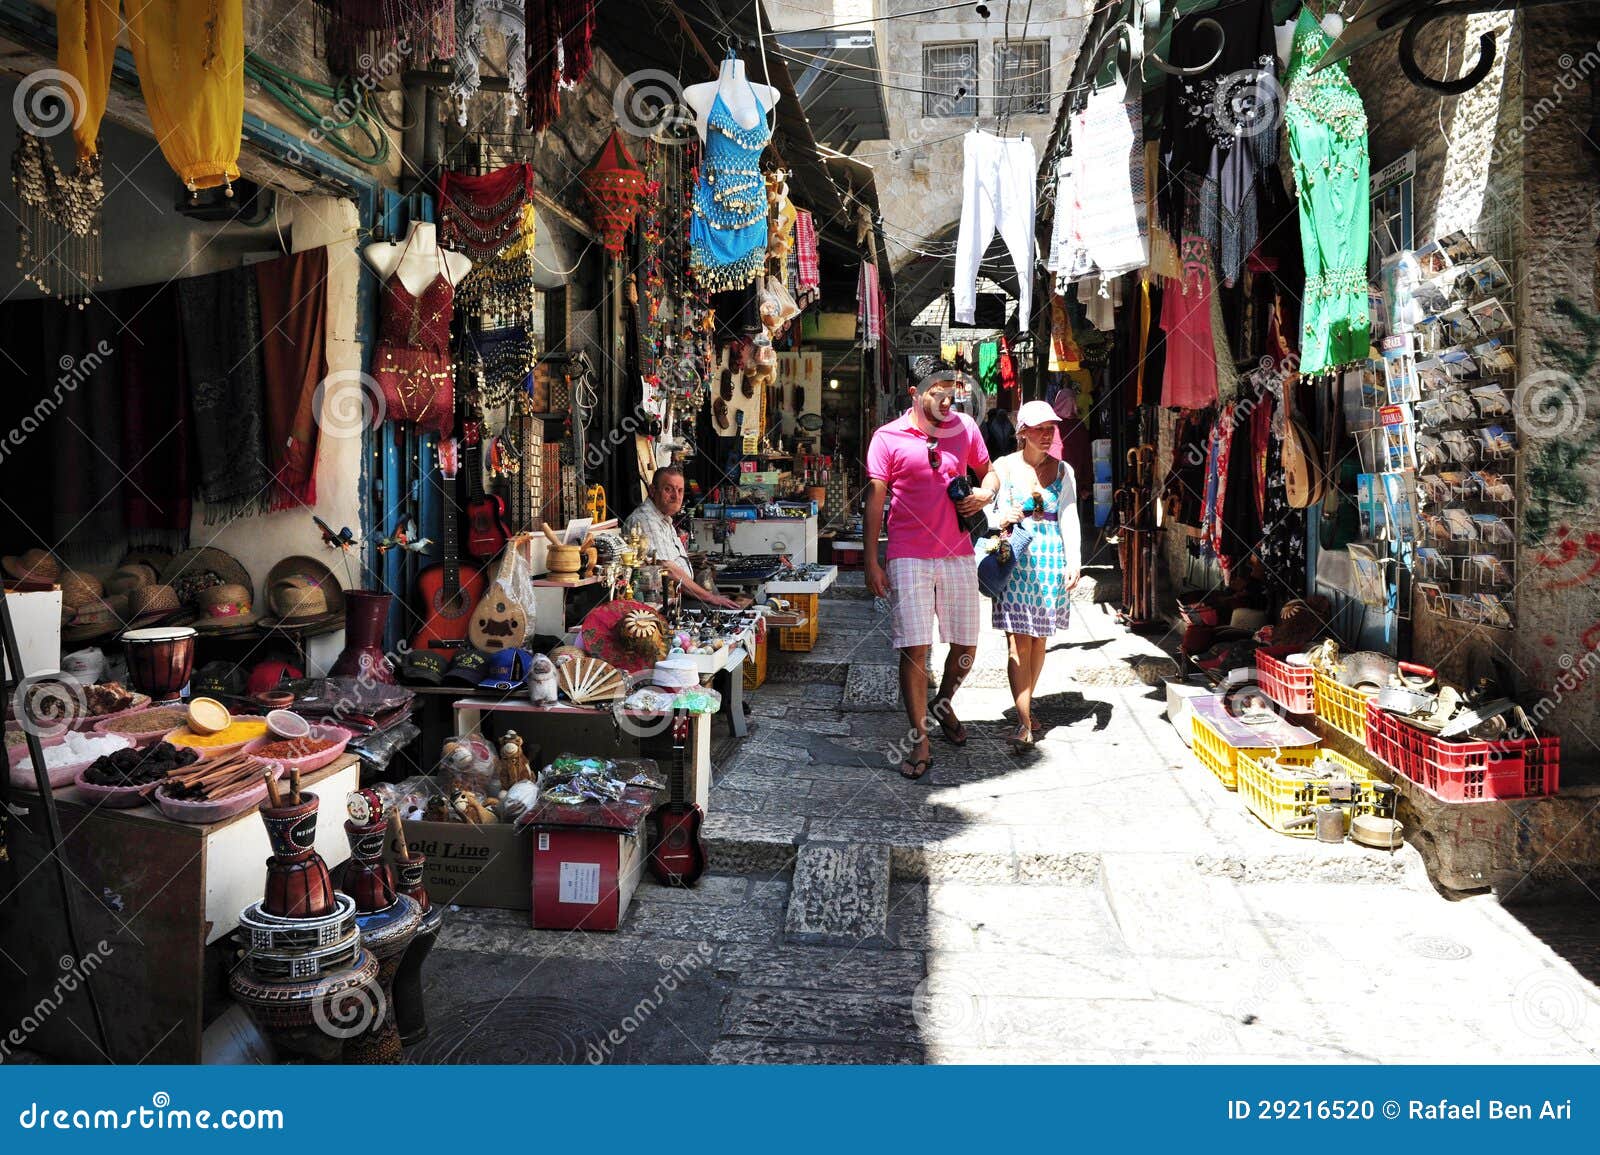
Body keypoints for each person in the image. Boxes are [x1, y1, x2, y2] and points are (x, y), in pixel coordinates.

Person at [865, 378, 1000, 780]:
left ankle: (943, 701)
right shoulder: (887, 437)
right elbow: (875, 497)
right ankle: (920, 738)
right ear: (914, 392)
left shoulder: (965, 429)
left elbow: (989, 472)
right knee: (914, 648)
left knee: (966, 647)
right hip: (908, 553)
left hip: (957, 550)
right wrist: (872, 559)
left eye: (950, 391)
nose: (946, 398)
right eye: (936, 390)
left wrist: (984, 495)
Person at [991, 400, 1082, 750]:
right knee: (1017, 641)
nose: (1047, 435)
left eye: (1051, 429)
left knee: (1040, 640)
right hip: (1015, 557)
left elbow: (1069, 516)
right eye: (1040, 429)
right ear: (1023, 432)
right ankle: (1025, 721)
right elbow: (987, 509)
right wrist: (1002, 515)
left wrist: (1073, 560)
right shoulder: (1003, 466)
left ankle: (1025, 707)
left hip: (1048, 560)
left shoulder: (1063, 472)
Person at [624, 466, 739, 608]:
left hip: (680, 595)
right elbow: (667, 569)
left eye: (680, 490)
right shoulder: (645, 520)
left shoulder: (663, 519)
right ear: (652, 490)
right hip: (663, 603)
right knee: (721, 612)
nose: (676, 496)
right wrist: (709, 597)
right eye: (668, 489)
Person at [980, 397, 1016, 462]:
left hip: (1003, 453)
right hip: (997, 453)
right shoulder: (993, 425)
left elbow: (1012, 437)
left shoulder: (1007, 425)